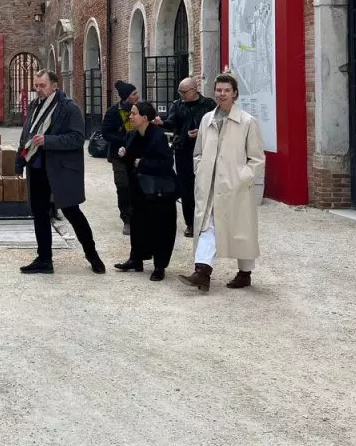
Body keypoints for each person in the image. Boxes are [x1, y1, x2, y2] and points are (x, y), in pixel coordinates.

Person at [179, 72, 266, 292]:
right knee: (207, 225)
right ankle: (202, 272)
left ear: (235, 93)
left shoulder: (247, 121)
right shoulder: (207, 119)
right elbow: (198, 152)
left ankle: (244, 273)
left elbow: (256, 159)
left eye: (227, 90)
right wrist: (200, 170)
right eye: (219, 90)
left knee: (241, 230)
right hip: (208, 184)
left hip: (234, 187)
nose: (222, 94)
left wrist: (241, 178)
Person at [15, 70, 105, 275]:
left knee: (72, 212)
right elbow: (26, 135)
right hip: (36, 166)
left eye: (42, 85)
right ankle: (44, 259)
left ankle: (92, 255)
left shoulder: (69, 108)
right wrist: (19, 162)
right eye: (36, 86)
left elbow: (77, 138)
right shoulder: (34, 105)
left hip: (61, 170)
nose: (38, 89)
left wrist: (49, 141)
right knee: (39, 213)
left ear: (55, 85)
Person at [114, 101, 179, 281]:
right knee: (138, 224)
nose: (131, 116)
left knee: (161, 227)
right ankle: (136, 259)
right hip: (139, 189)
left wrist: (140, 163)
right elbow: (129, 161)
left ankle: (159, 266)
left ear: (145, 117)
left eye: (134, 113)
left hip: (159, 191)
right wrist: (124, 154)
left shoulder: (158, 136)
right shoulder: (132, 134)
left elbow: (165, 163)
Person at [156, 77, 216, 238]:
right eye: (180, 92)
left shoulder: (209, 105)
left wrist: (200, 132)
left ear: (195, 89)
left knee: (204, 185)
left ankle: (207, 221)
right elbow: (171, 123)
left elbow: (216, 124)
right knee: (186, 188)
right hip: (183, 150)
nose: (182, 95)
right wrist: (160, 122)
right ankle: (190, 223)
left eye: (184, 92)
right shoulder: (177, 105)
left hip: (205, 150)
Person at [101, 80, 140, 236]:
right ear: (126, 97)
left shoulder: (140, 109)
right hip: (119, 155)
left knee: (136, 186)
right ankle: (127, 219)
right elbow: (105, 132)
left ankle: (139, 216)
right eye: (133, 94)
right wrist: (123, 139)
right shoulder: (112, 112)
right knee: (123, 186)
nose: (137, 96)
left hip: (137, 154)